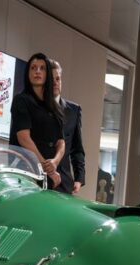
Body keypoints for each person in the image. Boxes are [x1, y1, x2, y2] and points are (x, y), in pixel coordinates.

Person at [10, 53, 64, 190]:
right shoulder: (21, 100)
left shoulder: (54, 106)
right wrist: (45, 167)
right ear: (28, 74)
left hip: (48, 175)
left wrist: (55, 162)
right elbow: (24, 138)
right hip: (24, 172)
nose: (37, 71)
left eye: (42, 68)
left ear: (48, 75)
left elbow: (61, 141)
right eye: (33, 68)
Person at [51, 61, 85, 195]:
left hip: (64, 182)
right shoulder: (35, 108)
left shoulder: (74, 110)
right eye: (51, 79)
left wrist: (79, 178)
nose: (55, 82)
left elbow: (78, 148)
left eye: (58, 79)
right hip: (39, 179)